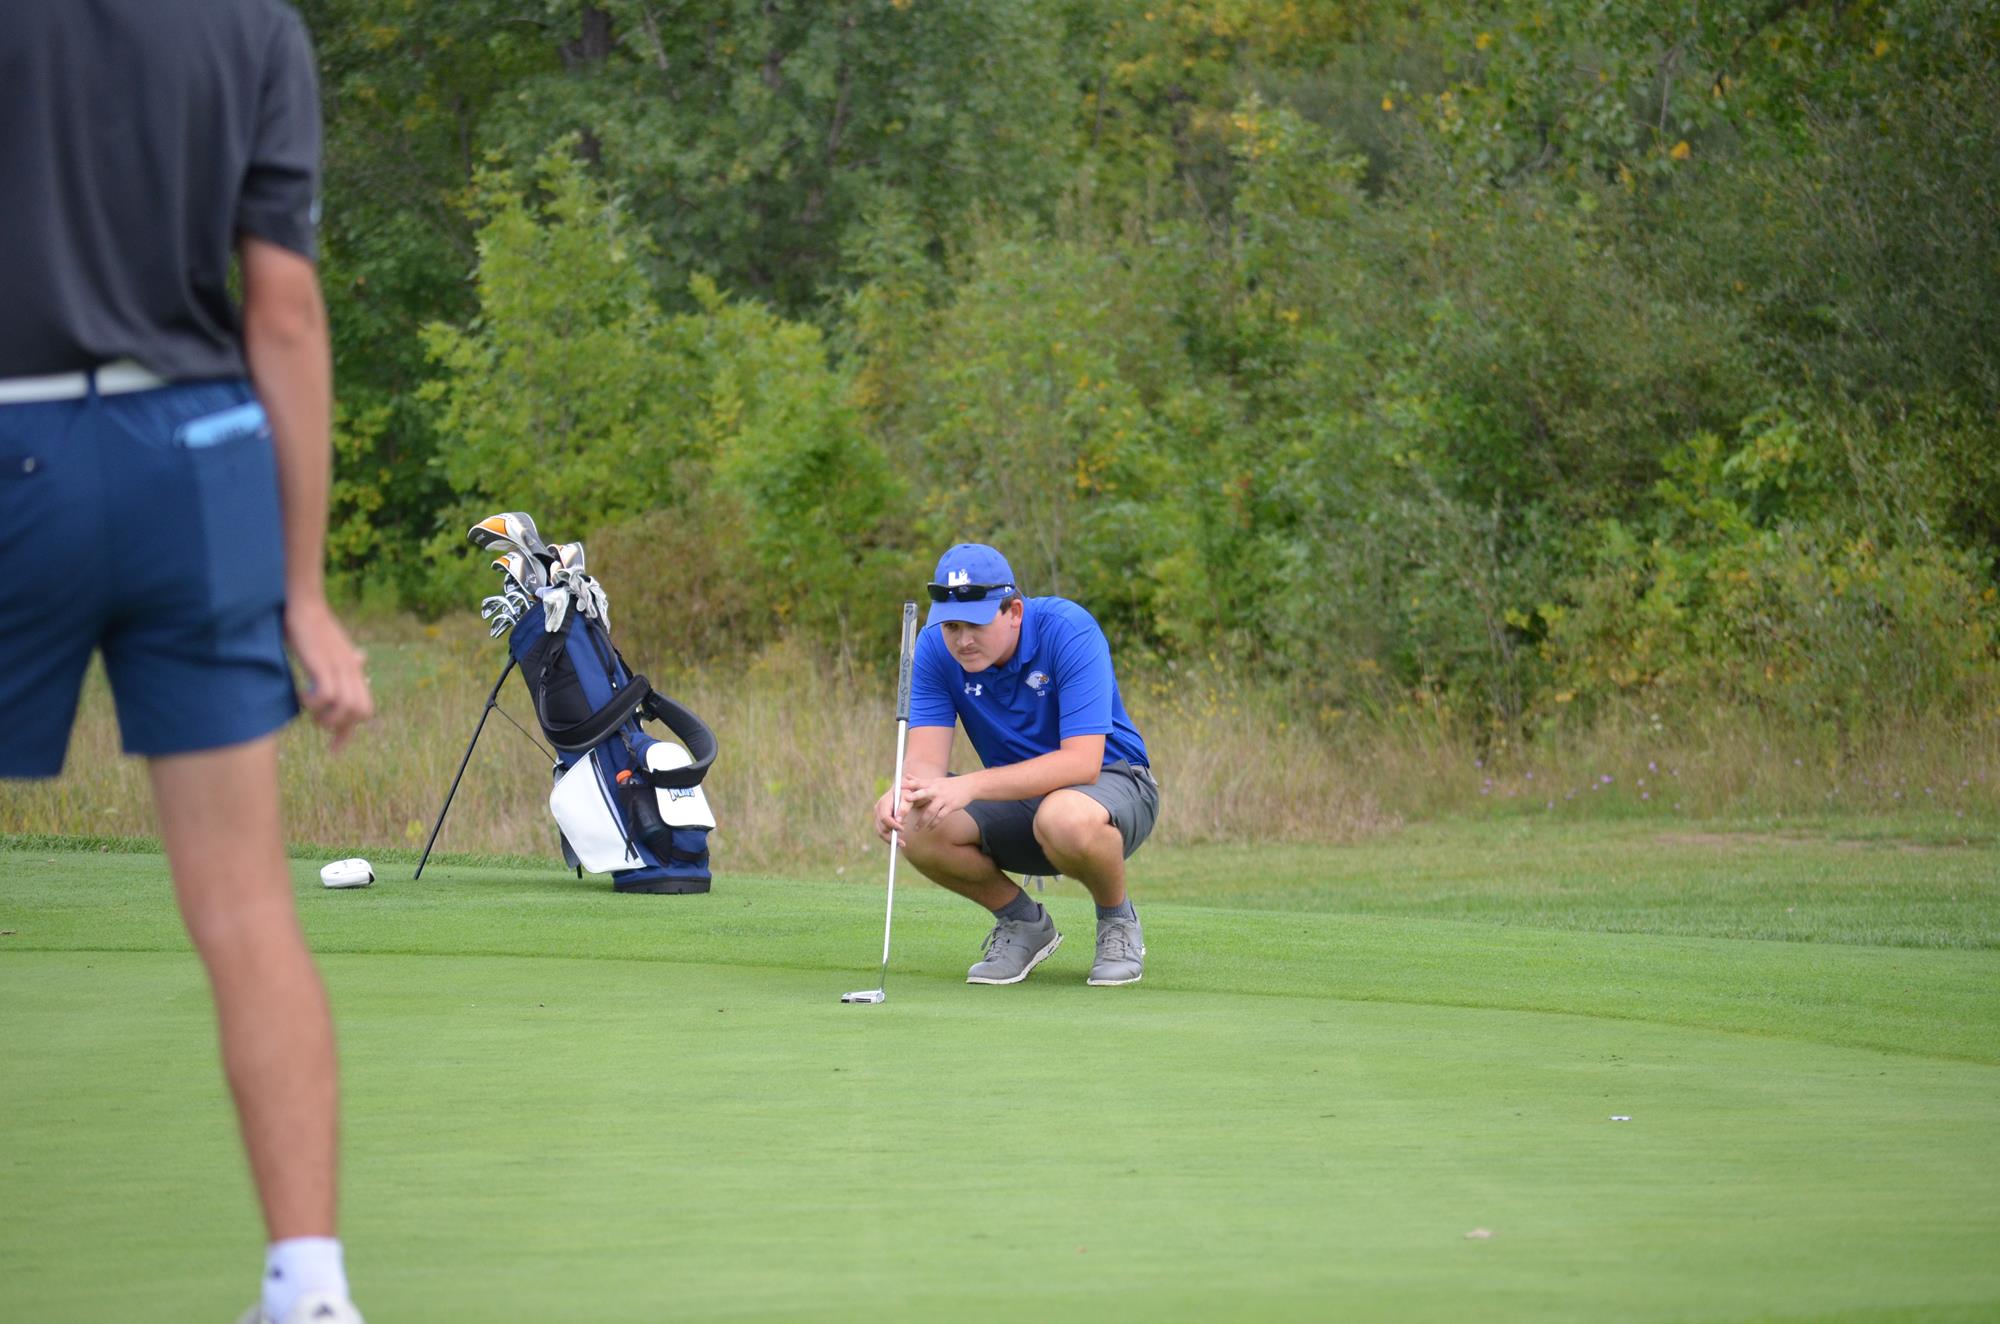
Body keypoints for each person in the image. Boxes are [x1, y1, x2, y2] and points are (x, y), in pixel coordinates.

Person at [0, 3, 373, 1321]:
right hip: (202, 457)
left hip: (15, 439)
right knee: (245, 907)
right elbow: (283, 309)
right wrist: (306, 593)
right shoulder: (253, 23)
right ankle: (310, 1286)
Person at [875, 543, 1161, 986]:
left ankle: (1116, 921)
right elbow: (925, 765)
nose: (963, 639)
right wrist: (902, 792)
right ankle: (1023, 923)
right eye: (951, 626)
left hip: (1115, 782)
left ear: (1014, 611)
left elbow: (1082, 763)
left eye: (976, 623)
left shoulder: (1069, 629)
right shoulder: (934, 650)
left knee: (1063, 815)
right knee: (916, 819)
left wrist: (968, 786)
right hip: (1018, 800)